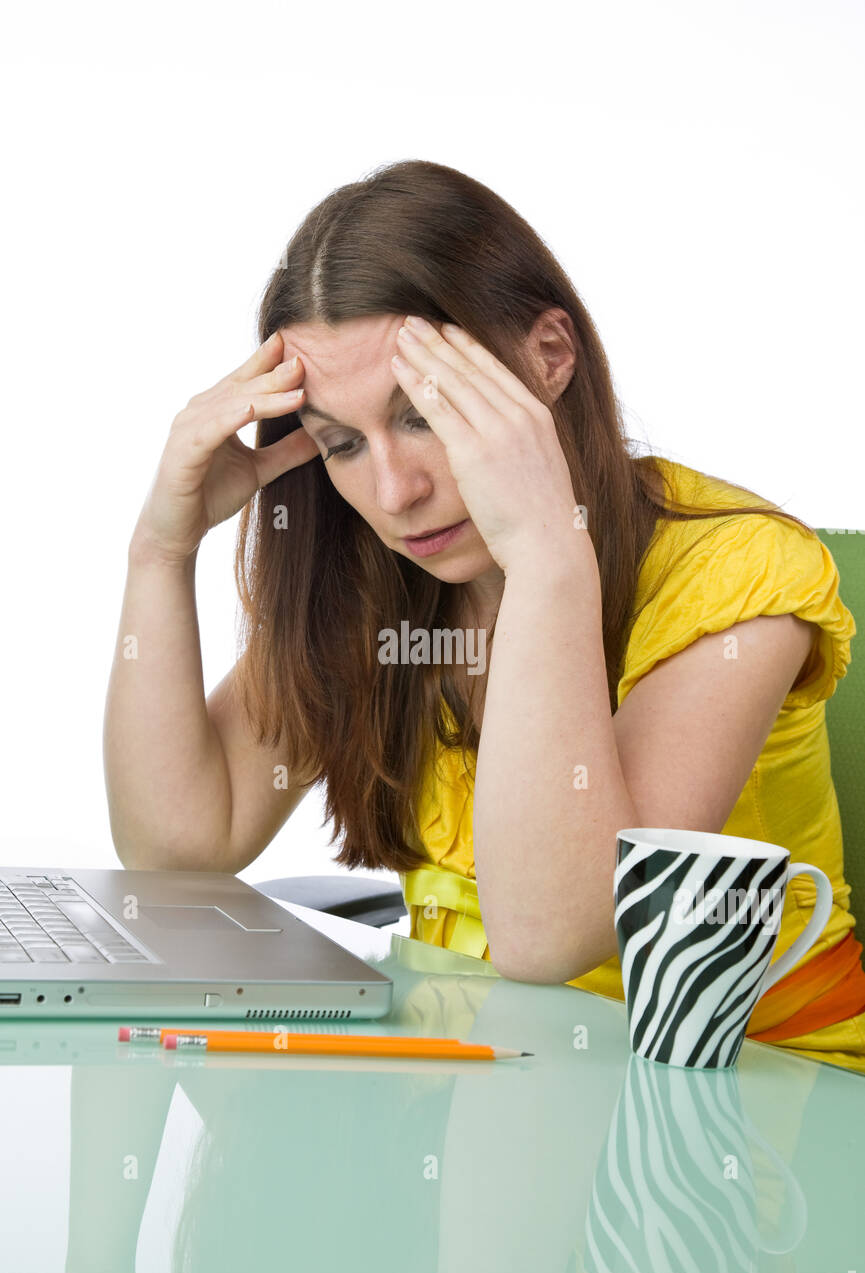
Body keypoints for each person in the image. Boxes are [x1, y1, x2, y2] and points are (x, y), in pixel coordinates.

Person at [104, 158, 865, 1073]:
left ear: (549, 357)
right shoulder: (376, 578)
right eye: (342, 443)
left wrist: (546, 555)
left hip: (741, 1092)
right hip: (485, 1068)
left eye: (427, 414)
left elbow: (553, 935)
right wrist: (159, 549)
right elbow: (179, 849)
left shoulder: (738, 570)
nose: (393, 492)